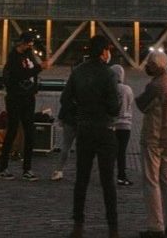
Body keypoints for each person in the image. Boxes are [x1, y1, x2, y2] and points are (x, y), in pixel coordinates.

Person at [61, 35, 120, 238]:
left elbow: (65, 100)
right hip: (104, 130)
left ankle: (78, 225)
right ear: (104, 51)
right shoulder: (109, 74)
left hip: (84, 130)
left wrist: (79, 116)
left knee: (81, 180)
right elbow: (114, 106)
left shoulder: (77, 72)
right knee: (107, 182)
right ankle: (113, 228)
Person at [136, 50, 167, 238]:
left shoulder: (156, 86)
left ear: (156, 66)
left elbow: (141, 104)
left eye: (149, 63)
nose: (147, 66)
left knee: (152, 182)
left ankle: (156, 226)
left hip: (154, 140)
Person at [0, 31, 49, 181]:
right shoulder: (13, 57)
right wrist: (40, 67)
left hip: (28, 98)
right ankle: (3, 167)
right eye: (27, 43)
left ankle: (27, 168)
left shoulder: (29, 54)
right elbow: (22, 74)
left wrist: (34, 89)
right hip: (15, 98)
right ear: (21, 42)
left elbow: (32, 75)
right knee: (12, 130)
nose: (29, 46)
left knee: (29, 132)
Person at [111, 64, 134, 186]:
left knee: (111, 151)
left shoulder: (110, 88)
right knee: (121, 152)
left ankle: (108, 174)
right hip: (125, 124)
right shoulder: (127, 89)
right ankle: (121, 176)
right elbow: (130, 103)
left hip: (112, 124)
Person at [52, 77, 79, 182]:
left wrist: (61, 116)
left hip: (70, 119)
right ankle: (82, 171)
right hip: (84, 119)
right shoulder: (89, 83)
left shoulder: (71, 84)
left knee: (66, 145)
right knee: (83, 147)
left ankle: (59, 170)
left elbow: (63, 100)